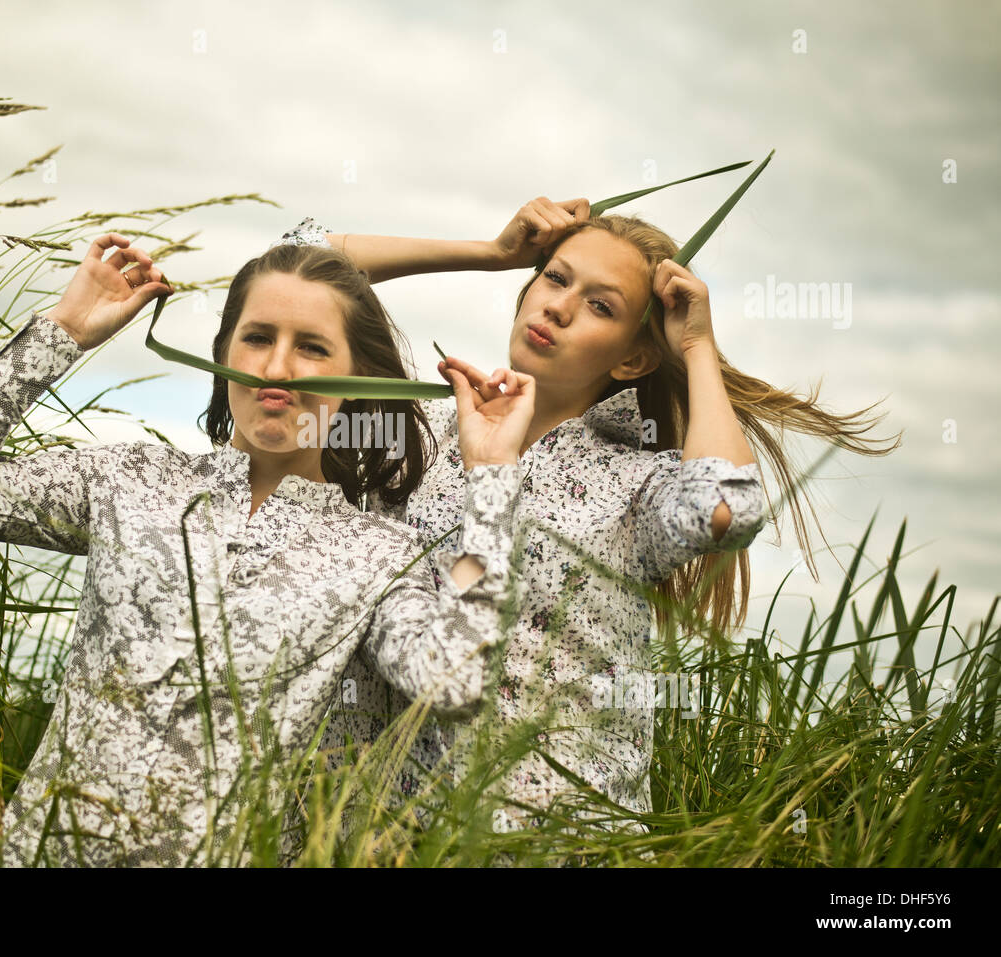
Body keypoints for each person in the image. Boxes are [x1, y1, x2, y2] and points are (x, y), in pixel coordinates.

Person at [0, 234, 534, 865]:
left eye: (310, 346)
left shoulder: (381, 559)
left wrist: (493, 477)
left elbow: (456, 681)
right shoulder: (130, 480)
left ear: (358, 376)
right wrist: (65, 330)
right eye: (256, 338)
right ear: (223, 352)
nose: (276, 368)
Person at [282, 201, 899, 839]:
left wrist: (697, 345)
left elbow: (728, 506)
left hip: (562, 838)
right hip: (399, 836)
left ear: (632, 360)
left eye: (601, 305)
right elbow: (299, 262)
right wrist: (491, 253)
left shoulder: (633, 483)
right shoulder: (424, 439)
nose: (559, 306)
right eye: (554, 278)